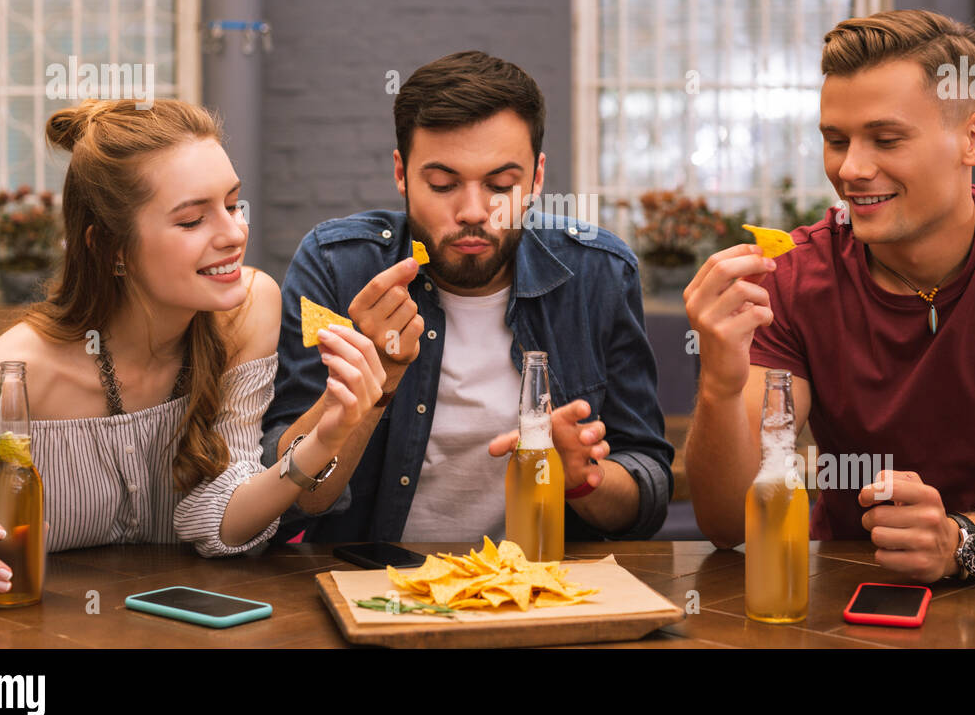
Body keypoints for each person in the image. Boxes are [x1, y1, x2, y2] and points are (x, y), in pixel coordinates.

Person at [685, 9, 975, 582]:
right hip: (851, 589)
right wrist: (718, 381)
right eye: (836, 141)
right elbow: (726, 522)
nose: (851, 169)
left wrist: (962, 542)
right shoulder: (793, 276)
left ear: (972, 138)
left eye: (886, 140)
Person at [0, 99, 384, 607]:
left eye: (234, 205)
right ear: (112, 250)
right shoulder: (15, 376)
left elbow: (219, 518)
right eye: (193, 220)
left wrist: (325, 436)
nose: (234, 233)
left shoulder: (247, 312)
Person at [262, 51, 673, 544]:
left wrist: (585, 481)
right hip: (375, 591)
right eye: (442, 184)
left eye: (501, 185)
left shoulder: (599, 273)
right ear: (401, 174)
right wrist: (372, 386)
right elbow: (291, 504)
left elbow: (647, 501)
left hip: (547, 593)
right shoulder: (337, 266)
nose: (474, 211)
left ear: (537, 178)